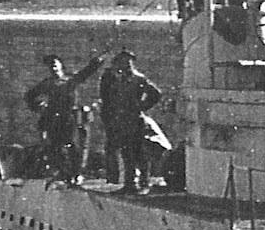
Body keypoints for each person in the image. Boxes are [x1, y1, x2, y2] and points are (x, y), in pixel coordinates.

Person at [23, 53, 102, 182]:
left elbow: (85, 73)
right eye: (50, 66)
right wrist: (39, 106)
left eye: (55, 64)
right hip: (54, 119)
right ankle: (62, 173)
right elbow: (30, 96)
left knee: (73, 146)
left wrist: (96, 62)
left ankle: (76, 173)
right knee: (55, 147)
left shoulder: (70, 80)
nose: (53, 68)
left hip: (70, 118)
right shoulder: (47, 83)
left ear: (61, 65)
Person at [97, 50, 165, 193]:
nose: (126, 65)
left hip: (135, 120)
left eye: (128, 62)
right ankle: (130, 184)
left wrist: (142, 106)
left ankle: (144, 183)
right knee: (127, 154)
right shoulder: (117, 79)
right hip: (122, 121)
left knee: (139, 153)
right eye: (122, 62)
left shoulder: (139, 79)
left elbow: (156, 94)